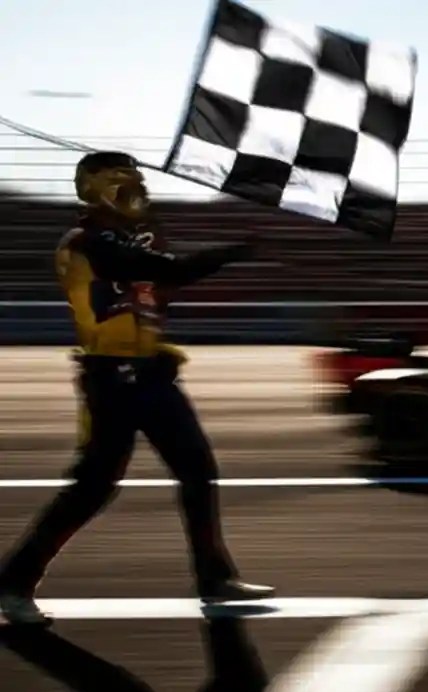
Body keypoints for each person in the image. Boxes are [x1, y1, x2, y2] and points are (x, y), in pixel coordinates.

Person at [0, 151, 274, 626]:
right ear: (94, 189)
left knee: (197, 469)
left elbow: (159, 279)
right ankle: (12, 584)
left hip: (152, 373)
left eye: (136, 183)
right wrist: (235, 251)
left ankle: (215, 578)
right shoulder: (88, 242)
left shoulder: (130, 240)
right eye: (121, 183)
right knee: (93, 488)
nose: (135, 192)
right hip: (110, 380)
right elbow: (172, 271)